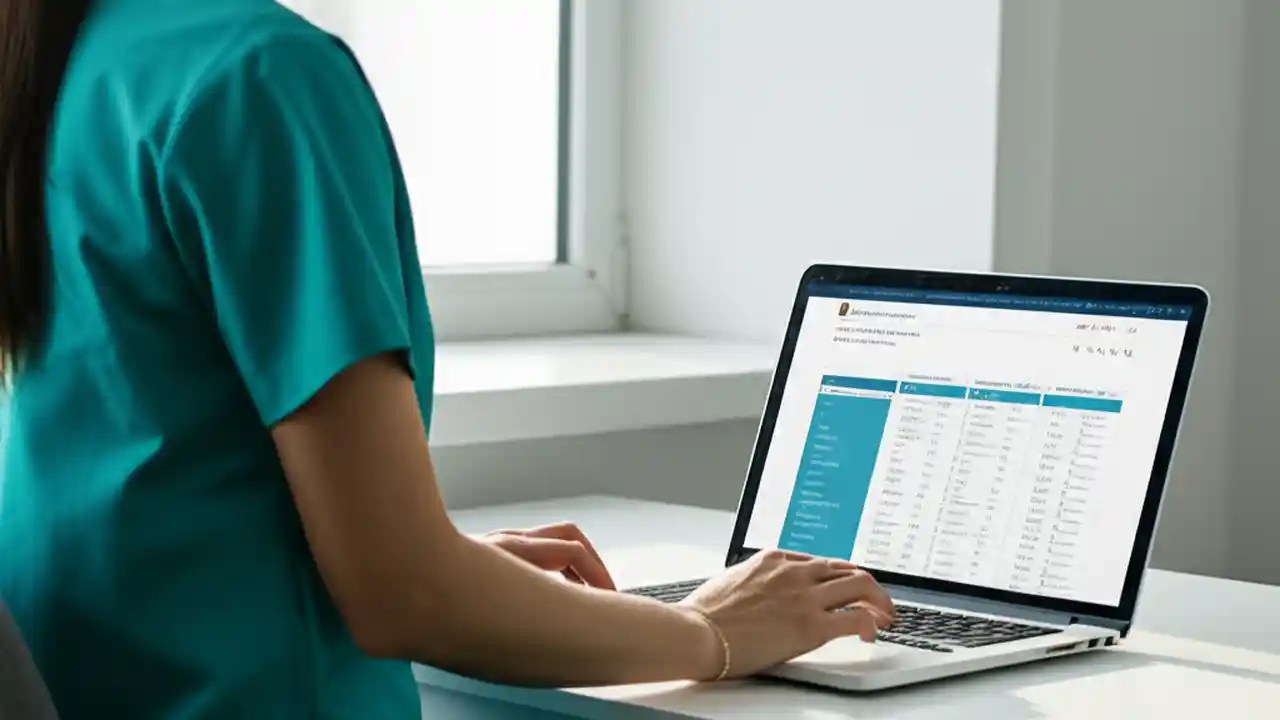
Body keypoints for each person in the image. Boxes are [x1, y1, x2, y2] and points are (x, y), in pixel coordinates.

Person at [0, 1, 895, 718]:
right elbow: (407, 598)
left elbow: (132, 463)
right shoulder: (256, 73)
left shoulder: (62, 61)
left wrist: (407, 543)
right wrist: (709, 628)